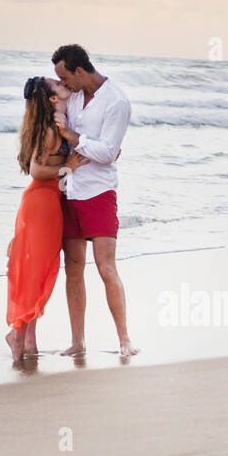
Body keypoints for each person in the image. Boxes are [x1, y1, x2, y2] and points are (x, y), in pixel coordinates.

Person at [50, 44, 137, 357]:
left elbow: (107, 153)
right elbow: (43, 86)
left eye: (64, 77)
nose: (62, 84)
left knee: (105, 268)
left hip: (99, 192)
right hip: (69, 190)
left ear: (79, 70)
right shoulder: (72, 95)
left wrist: (74, 139)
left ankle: (125, 341)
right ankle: (78, 342)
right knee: (73, 269)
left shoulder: (116, 102)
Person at [4, 75, 89, 362]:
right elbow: (37, 170)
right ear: (53, 98)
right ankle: (18, 334)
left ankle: (29, 341)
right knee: (36, 272)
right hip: (41, 203)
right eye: (58, 84)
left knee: (38, 272)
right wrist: (69, 167)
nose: (63, 83)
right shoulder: (51, 132)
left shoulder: (57, 125)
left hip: (48, 203)